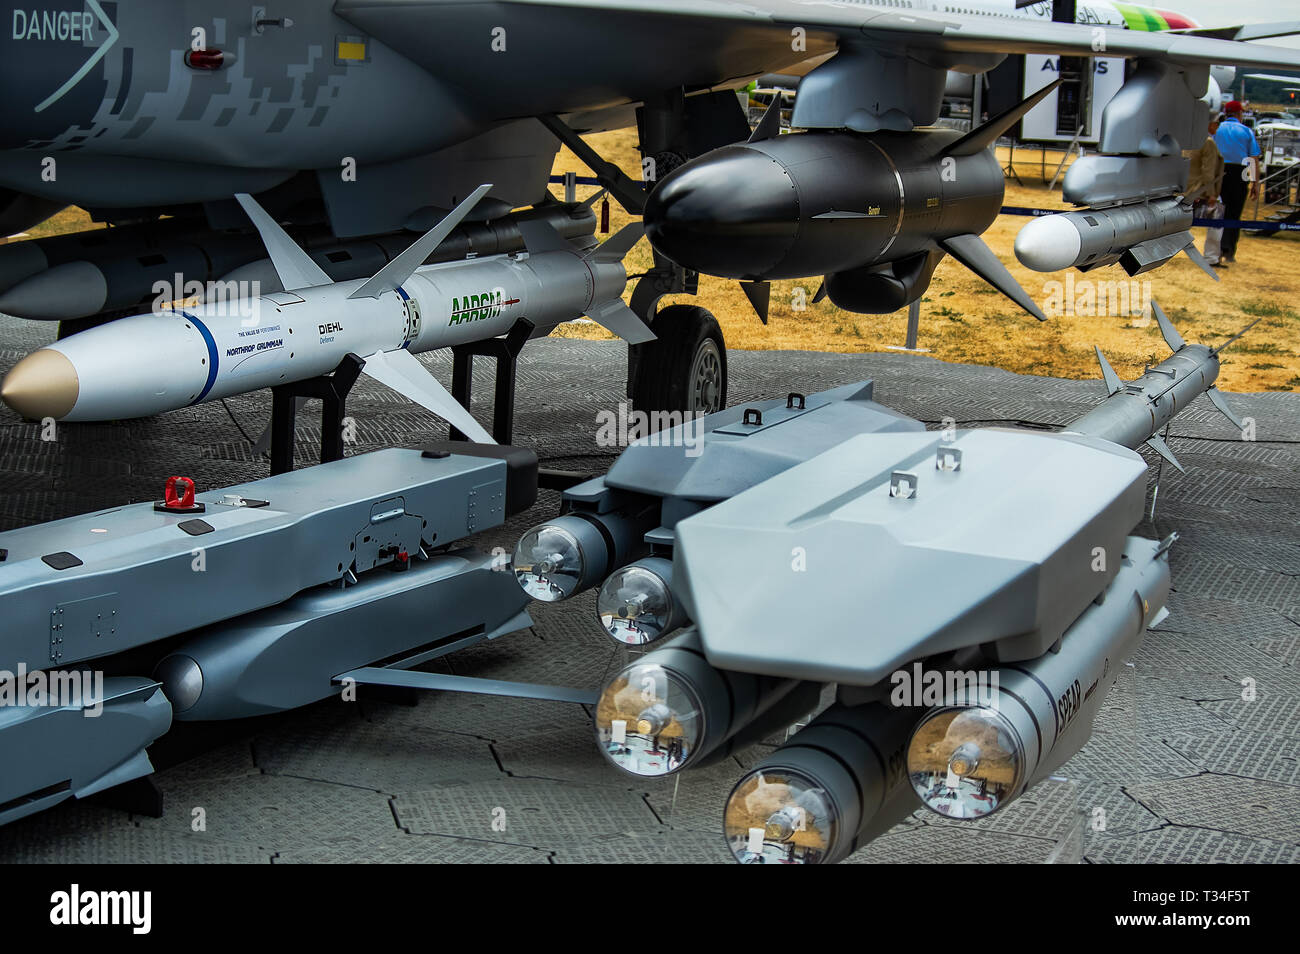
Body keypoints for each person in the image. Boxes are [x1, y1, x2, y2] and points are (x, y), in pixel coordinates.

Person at [1213, 100, 1261, 264]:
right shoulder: (1246, 131)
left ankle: (1215, 249)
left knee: (1218, 211)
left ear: (1225, 113)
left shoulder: (1216, 129)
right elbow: (1253, 158)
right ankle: (1229, 250)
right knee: (1235, 212)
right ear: (1239, 114)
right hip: (1240, 172)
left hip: (1219, 171)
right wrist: (1255, 183)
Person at [1186, 116, 1226, 265]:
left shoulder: (1189, 140)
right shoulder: (1207, 142)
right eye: (1216, 123)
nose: (1217, 126)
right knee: (1216, 222)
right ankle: (1212, 257)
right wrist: (1211, 194)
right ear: (1210, 124)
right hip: (1200, 190)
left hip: (1186, 189)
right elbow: (1208, 171)